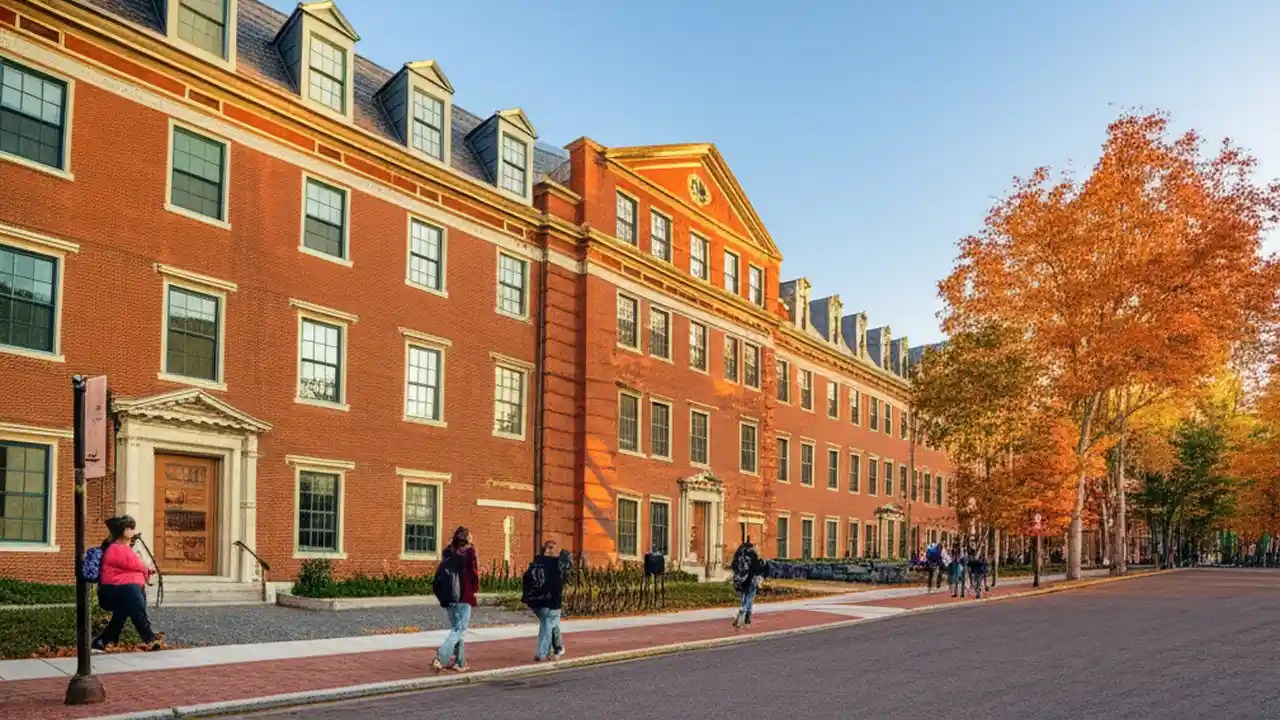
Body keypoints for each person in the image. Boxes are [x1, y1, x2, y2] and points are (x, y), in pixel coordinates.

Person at [92, 515, 160, 651]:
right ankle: (150, 638)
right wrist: (148, 569)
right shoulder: (117, 549)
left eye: (132, 528)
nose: (132, 531)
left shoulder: (124, 548)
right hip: (116, 590)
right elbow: (135, 564)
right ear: (121, 531)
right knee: (136, 611)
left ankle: (103, 641)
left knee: (121, 614)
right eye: (128, 528)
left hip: (123, 589)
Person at [432, 526, 479, 673]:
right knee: (460, 629)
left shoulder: (448, 552)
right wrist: (474, 590)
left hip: (448, 597)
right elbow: (474, 575)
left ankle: (460, 662)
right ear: (467, 539)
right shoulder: (469, 554)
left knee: (457, 630)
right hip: (464, 597)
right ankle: (441, 657)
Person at [524, 540, 566, 662]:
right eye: (554, 549)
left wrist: (528, 597)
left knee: (550, 624)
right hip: (551, 600)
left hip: (537, 600)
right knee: (549, 625)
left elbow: (527, 578)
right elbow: (557, 583)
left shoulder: (536, 562)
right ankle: (547, 651)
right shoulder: (555, 564)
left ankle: (554, 650)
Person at [731, 537, 765, 628]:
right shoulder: (753, 555)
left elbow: (733, 566)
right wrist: (761, 562)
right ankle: (742, 615)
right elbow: (758, 568)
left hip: (741, 580)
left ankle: (747, 619)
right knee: (749, 599)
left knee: (744, 598)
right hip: (751, 580)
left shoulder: (738, 556)